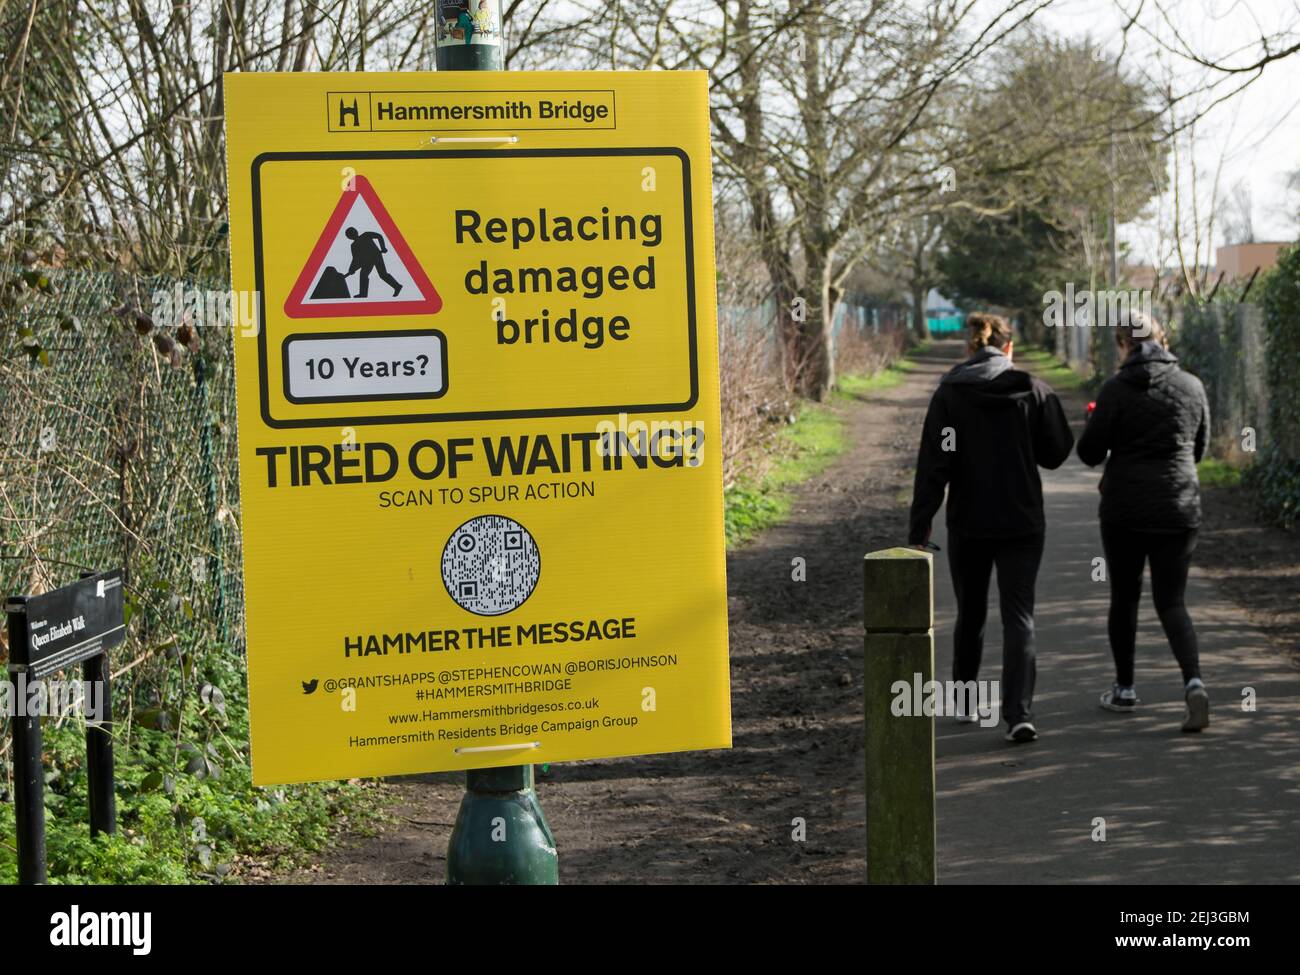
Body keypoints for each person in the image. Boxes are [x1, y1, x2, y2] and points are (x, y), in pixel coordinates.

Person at [909, 314, 1074, 743]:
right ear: (1009, 348)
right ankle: (1019, 715)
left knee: (971, 612)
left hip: (969, 522)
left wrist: (919, 528)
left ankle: (965, 701)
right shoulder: (1033, 390)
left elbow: (935, 465)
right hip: (1022, 520)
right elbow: (1057, 452)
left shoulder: (950, 394)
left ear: (969, 348)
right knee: (1020, 615)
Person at [1076, 311, 1211, 732]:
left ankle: (1125, 689)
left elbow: (1089, 453)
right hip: (1179, 506)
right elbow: (1199, 449)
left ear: (1124, 345)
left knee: (1125, 598)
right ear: (1161, 338)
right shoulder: (1191, 385)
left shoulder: (1115, 389)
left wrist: (1095, 422)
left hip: (1126, 510)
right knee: (1172, 602)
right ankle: (1193, 682)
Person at [344, 227, 402, 298]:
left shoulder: (366, 235)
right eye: (350, 235)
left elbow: (379, 236)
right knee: (363, 275)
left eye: (352, 233)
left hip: (376, 256)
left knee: (382, 274)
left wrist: (383, 247)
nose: (353, 235)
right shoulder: (353, 245)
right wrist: (351, 268)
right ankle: (363, 294)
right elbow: (355, 259)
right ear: (349, 237)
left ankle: (397, 286)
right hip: (367, 262)